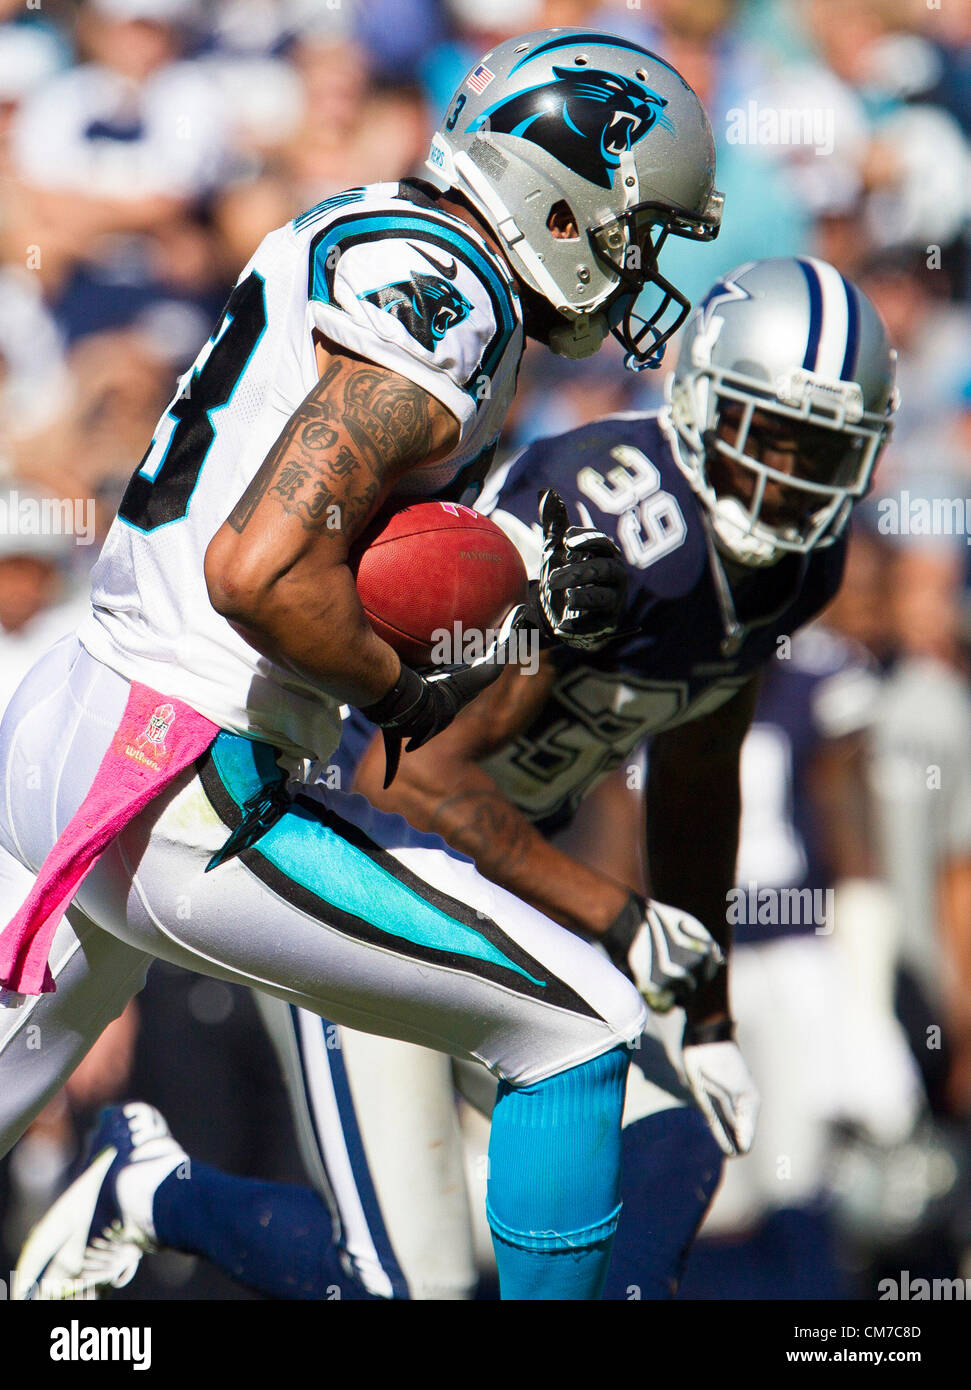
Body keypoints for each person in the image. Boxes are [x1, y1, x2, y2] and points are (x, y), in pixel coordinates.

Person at [0, 28, 725, 1303]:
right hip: (181, 768)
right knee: (577, 1027)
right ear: (561, 194)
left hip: (84, 707)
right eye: (631, 227)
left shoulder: (384, 227)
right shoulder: (450, 294)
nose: (635, 267)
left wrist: (509, 569)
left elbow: (362, 541)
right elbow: (265, 570)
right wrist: (407, 690)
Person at [18, 256, 899, 1300]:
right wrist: (614, 916)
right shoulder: (620, 520)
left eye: (824, 452)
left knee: (673, 1148)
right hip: (364, 860)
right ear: (703, 399)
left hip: (493, 896)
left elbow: (700, 765)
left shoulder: (800, 565)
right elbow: (416, 781)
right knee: (410, 1285)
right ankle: (154, 1191)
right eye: (772, 437)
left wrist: (705, 1016)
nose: (791, 480)